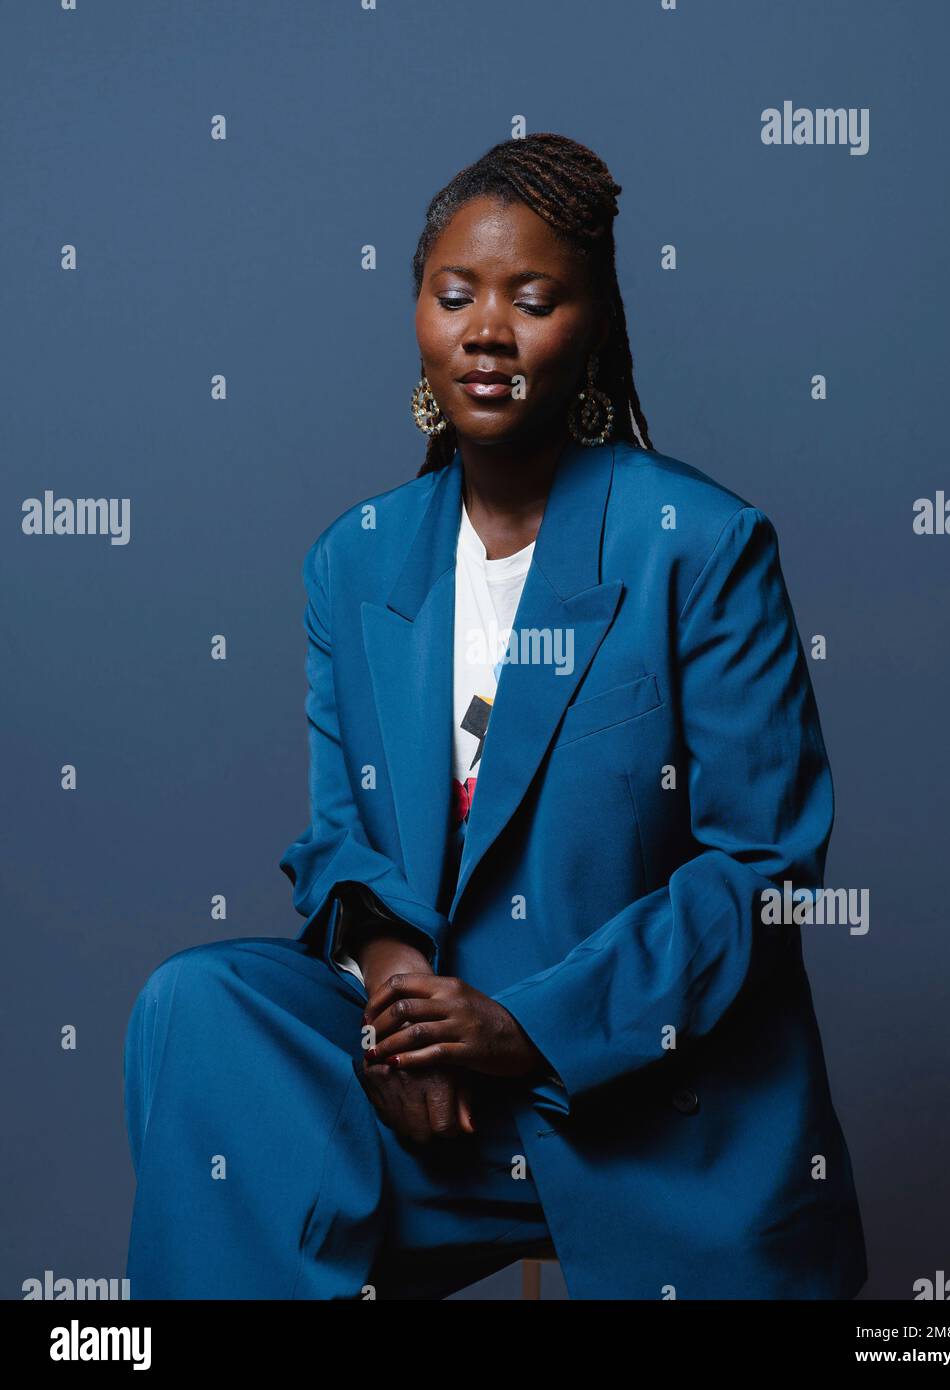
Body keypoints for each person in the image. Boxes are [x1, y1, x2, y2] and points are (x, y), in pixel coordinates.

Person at [123, 132, 868, 1300]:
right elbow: (340, 846)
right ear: (418, 317)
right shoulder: (355, 563)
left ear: (592, 330)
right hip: (433, 1113)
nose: (485, 329)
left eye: (532, 299)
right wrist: (395, 1013)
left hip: (642, 1116)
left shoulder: (699, 545)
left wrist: (518, 1027)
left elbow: (759, 868)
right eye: (454, 293)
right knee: (199, 1005)